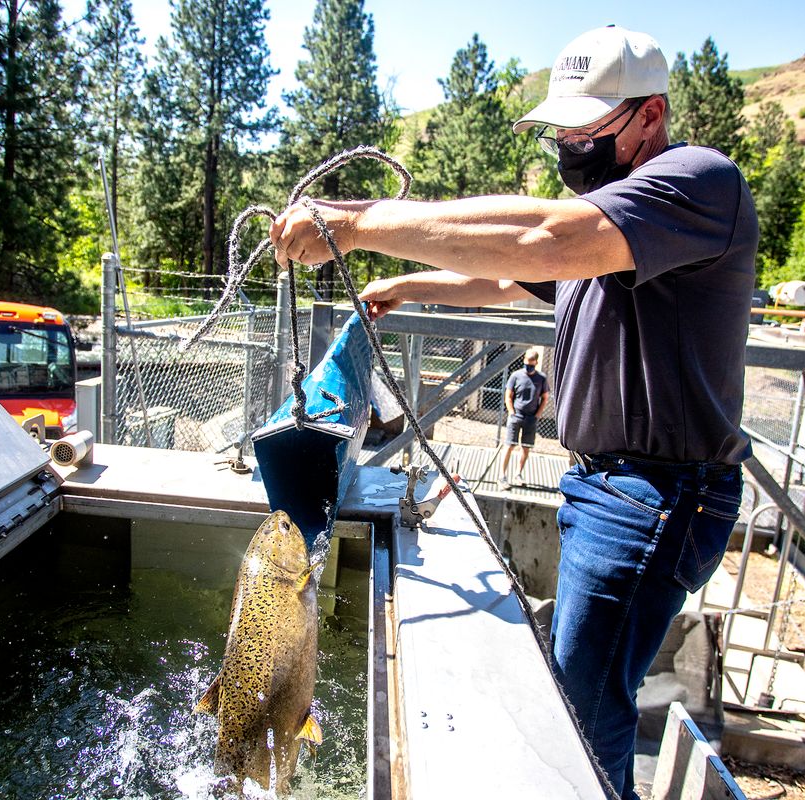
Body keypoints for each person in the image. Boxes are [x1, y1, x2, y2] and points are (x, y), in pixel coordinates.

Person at [270, 24, 757, 799]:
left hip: (658, 494)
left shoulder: (697, 182)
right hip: (611, 488)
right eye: (561, 131)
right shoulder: (616, 228)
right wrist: (411, 286)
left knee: (584, 719)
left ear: (652, 117)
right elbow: (509, 281)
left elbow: (541, 239)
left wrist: (353, 225)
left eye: (587, 129)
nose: (571, 145)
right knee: (583, 697)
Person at [501, 347, 550, 488]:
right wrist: (511, 411)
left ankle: (518, 474)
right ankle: (502, 476)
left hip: (531, 418)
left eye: (532, 363)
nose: (529, 365)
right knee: (509, 445)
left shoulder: (541, 378)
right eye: (527, 362)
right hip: (516, 416)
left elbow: (545, 398)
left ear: (536, 363)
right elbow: (508, 395)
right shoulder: (516, 376)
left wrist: (537, 415)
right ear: (524, 360)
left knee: (526, 447)